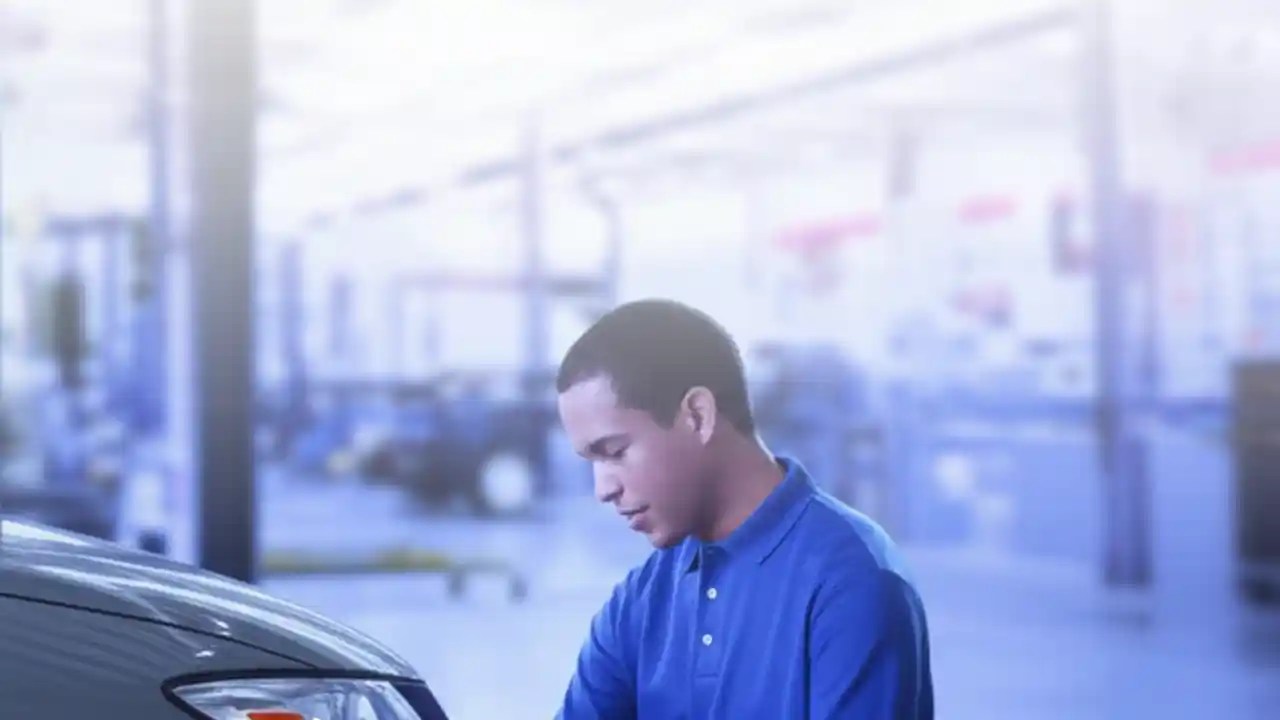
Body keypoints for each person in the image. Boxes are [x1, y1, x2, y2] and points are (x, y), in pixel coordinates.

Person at [554, 299, 933, 719]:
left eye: (615, 452)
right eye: (592, 462)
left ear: (697, 415)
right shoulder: (641, 601)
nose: (602, 489)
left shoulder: (851, 582)